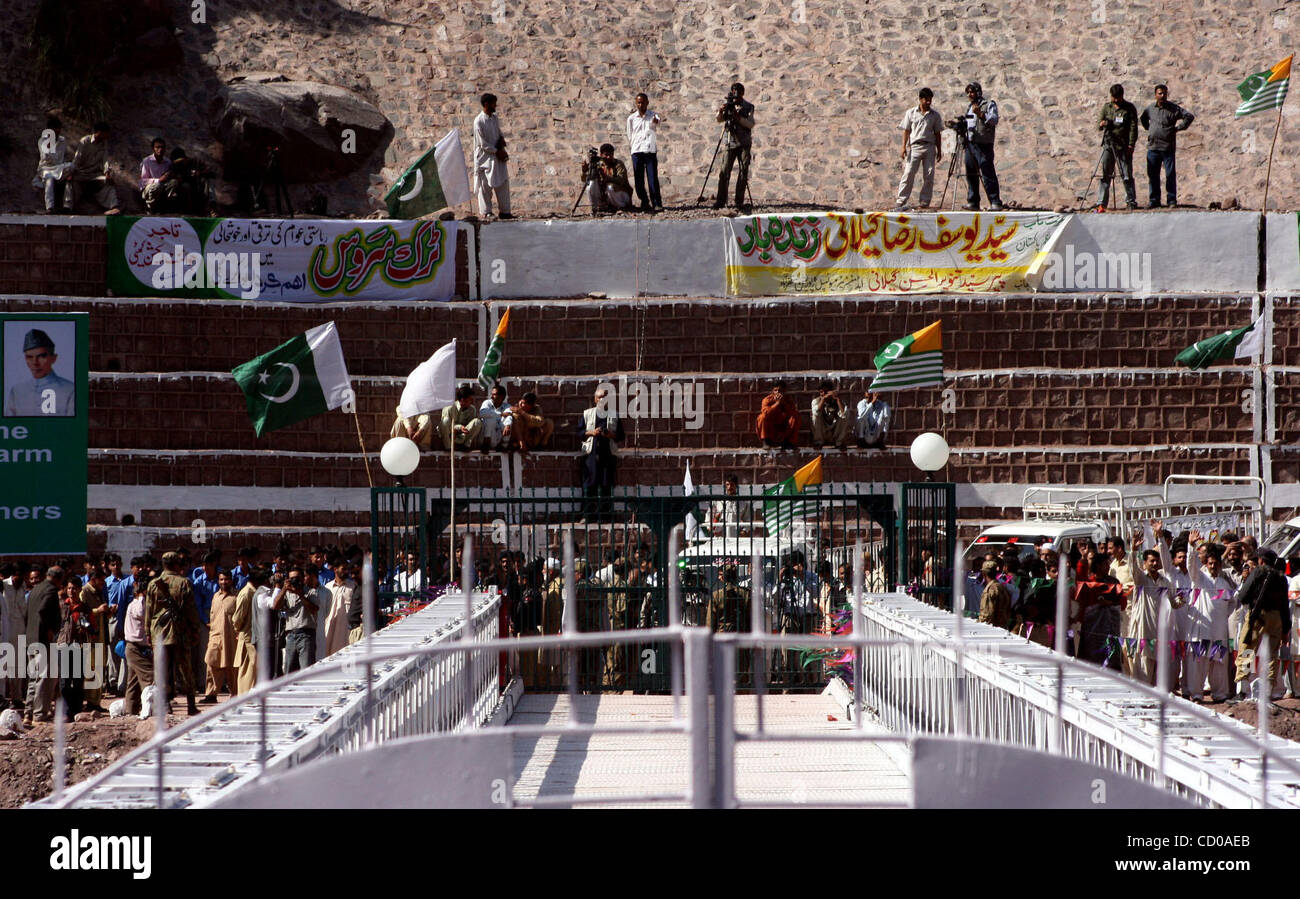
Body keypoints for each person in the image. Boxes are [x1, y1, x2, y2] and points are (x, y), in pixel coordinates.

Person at [145, 552, 201, 716]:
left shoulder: (154, 584)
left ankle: (165, 705)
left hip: (159, 632)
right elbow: (191, 610)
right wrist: (195, 629)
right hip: (179, 631)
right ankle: (191, 705)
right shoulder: (184, 583)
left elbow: (149, 610)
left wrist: (148, 632)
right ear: (177, 564)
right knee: (185, 668)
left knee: (162, 670)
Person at [1184, 531, 1236, 702]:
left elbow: (1232, 604)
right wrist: (1191, 547)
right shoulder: (1200, 579)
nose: (1213, 566)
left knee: (1219, 664)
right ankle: (1197, 694)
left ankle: (1219, 694)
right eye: (1210, 563)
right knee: (1198, 664)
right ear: (1206, 564)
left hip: (1219, 631)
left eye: (1216, 564)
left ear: (1220, 565)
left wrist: (1223, 619)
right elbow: (1191, 566)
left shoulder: (1224, 583)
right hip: (1202, 632)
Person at [1232, 549, 1290, 702]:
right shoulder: (1281, 578)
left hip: (1257, 616)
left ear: (1261, 561)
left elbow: (1243, 596)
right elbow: (1285, 605)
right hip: (1276, 618)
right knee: (1271, 655)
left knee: (1246, 650)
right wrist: (1285, 629)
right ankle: (1268, 692)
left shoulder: (1258, 572)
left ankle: (1242, 690)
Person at [1139, 84, 1194, 208]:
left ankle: (1171, 200)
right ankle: (1154, 200)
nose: (1162, 96)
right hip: (1153, 147)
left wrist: (1178, 128)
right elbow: (1143, 119)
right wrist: (1150, 129)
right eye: (1160, 93)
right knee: (1153, 175)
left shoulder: (1173, 108)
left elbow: (1189, 116)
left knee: (1169, 175)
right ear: (1155, 95)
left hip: (1167, 147)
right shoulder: (1150, 109)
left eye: (1164, 93)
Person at [23, 566, 64, 725]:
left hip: (31, 638)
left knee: (33, 677)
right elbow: (43, 610)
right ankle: (39, 714)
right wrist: (48, 629)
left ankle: (28, 713)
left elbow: (27, 615)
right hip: (42, 640)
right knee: (42, 678)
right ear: (58, 579)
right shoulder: (50, 590)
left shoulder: (35, 589)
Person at [6, 327, 75, 417]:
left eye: (41, 356)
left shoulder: (70, 390)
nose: (35, 362)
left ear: (53, 358)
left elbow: (73, 428)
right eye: (29, 357)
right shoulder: (17, 391)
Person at [895, 87, 944, 210]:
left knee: (929, 174)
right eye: (926, 100)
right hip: (915, 147)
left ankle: (924, 201)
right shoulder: (911, 113)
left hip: (929, 147)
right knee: (909, 173)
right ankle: (901, 200)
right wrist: (903, 147)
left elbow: (938, 133)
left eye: (930, 100)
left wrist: (939, 149)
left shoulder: (934, 115)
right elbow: (906, 131)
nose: (928, 102)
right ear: (920, 99)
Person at [1095, 84, 1138, 211]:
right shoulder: (1106, 107)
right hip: (1109, 144)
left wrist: (1131, 144)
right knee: (1105, 174)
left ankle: (1130, 201)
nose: (1115, 100)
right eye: (1113, 97)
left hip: (1123, 146)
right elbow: (1098, 124)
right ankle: (1101, 202)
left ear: (1122, 95)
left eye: (1117, 97)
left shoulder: (1129, 108)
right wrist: (1102, 124)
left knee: (1126, 174)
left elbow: (1133, 127)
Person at [713, 82, 755, 209]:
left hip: (743, 143)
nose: (736, 95)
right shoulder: (728, 105)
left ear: (742, 93)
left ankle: (739, 201)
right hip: (730, 141)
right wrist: (721, 111)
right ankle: (721, 200)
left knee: (743, 172)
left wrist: (738, 117)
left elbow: (750, 124)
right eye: (734, 92)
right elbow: (719, 120)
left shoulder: (748, 106)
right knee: (724, 171)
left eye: (738, 92)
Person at [961, 82, 1002, 211]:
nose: (970, 95)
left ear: (978, 92)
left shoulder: (989, 104)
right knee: (971, 173)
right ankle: (973, 202)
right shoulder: (969, 107)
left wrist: (980, 114)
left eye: (972, 92)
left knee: (987, 172)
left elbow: (994, 120)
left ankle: (995, 201)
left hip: (984, 144)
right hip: (970, 143)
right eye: (968, 92)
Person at [579, 387, 620, 513]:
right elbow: (579, 433)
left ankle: (606, 515)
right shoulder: (587, 414)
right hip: (591, 454)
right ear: (595, 399)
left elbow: (620, 435)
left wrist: (610, 435)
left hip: (608, 454)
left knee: (607, 484)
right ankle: (587, 514)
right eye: (599, 397)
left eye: (605, 397)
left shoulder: (614, 414)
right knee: (589, 484)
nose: (602, 400)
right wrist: (592, 432)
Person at [472, 92, 512, 219]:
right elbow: (482, 144)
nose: (496, 105)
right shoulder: (478, 121)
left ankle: (505, 211)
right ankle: (486, 212)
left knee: (502, 183)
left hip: (497, 158)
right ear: (486, 104)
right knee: (484, 187)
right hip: (485, 159)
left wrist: (502, 143)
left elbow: (498, 133)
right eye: (494, 103)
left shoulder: (494, 118)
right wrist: (496, 151)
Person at [202, 570, 239, 702]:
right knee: (211, 664)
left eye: (226, 579)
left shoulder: (237, 596)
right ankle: (211, 694)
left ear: (231, 580)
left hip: (231, 638)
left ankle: (235, 695)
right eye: (221, 579)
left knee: (232, 668)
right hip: (215, 636)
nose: (224, 582)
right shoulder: (215, 596)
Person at [68, 122, 120, 214]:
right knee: (70, 183)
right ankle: (68, 208)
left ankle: (113, 207)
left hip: (95, 174)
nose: (107, 136)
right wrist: (71, 173)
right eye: (106, 133)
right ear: (99, 132)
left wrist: (107, 173)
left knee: (108, 183)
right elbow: (77, 158)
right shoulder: (85, 141)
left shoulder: (104, 143)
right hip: (81, 173)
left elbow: (105, 160)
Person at [274, 567, 318, 673]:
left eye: (297, 578)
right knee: (289, 671)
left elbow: (314, 609)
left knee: (306, 671)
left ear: (303, 579)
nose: (295, 581)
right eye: (292, 579)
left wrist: (299, 593)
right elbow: (275, 606)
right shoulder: (286, 593)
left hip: (306, 635)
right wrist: (284, 589)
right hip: (291, 636)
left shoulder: (311, 591)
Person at [626, 92, 665, 212]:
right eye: (638, 102)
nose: (640, 104)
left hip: (649, 150)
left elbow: (658, 122)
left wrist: (655, 121)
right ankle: (644, 201)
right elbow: (629, 134)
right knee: (639, 179)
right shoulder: (631, 118)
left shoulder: (653, 115)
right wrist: (634, 146)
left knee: (652, 178)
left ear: (647, 103)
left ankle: (656, 203)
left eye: (643, 102)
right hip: (637, 150)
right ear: (636, 103)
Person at [122, 578, 153, 716]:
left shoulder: (138, 604)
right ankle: (150, 710)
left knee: (133, 683)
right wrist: (142, 596)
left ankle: (130, 710)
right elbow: (141, 613)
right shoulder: (136, 605)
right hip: (135, 647)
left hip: (138, 648)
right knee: (150, 678)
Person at [581, 143, 634, 213]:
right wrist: (584, 171)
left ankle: (621, 207)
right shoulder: (598, 163)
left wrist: (608, 178)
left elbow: (622, 180)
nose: (609, 157)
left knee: (610, 187)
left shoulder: (618, 164)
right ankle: (597, 207)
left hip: (621, 195)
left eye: (611, 155)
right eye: (606, 155)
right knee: (591, 184)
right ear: (601, 155)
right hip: (606, 196)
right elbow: (584, 180)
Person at [33, 116, 71, 213]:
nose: (57, 131)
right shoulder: (42, 141)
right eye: (54, 129)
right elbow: (47, 158)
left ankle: (67, 206)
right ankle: (49, 208)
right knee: (49, 179)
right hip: (46, 168)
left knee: (72, 168)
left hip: (59, 168)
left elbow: (63, 157)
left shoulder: (63, 140)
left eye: (58, 129)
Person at [322, 559, 355, 658]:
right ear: (335, 569)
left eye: (347, 569)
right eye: (343, 569)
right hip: (329, 626)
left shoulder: (353, 586)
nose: (346, 571)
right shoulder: (328, 587)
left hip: (345, 629)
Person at [438, 385, 483, 451]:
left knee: (477, 422)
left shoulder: (472, 409)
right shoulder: (449, 408)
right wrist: (459, 427)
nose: (472, 401)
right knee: (445, 420)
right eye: (470, 399)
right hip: (450, 434)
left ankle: (466, 446)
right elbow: (445, 425)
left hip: (463, 435)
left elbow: (470, 426)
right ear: (463, 400)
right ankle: (448, 447)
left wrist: (463, 429)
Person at [756, 381, 798, 449]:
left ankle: (789, 442)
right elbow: (765, 413)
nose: (778, 392)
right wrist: (777, 403)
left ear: (784, 391)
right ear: (772, 391)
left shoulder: (788, 400)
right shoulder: (767, 400)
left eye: (780, 390)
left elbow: (792, 412)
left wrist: (783, 403)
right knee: (761, 417)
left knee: (795, 416)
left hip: (782, 430)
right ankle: (765, 441)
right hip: (771, 430)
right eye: (776, 390)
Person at [140, 137, 176, 213]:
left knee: (174, 182)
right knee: (157, 185)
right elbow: (143, 181)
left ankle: (164, 206)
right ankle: (150, 207)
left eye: (162, 147)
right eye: (157, 147)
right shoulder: (147, 161)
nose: (160, 149)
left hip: (162, 187)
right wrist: (158, 180)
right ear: (153, 149)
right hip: (150, 189)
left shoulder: (168, 162)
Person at [810, 380, 851, 449]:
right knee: (814, 416)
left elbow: (844, 414)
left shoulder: (838, 401)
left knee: (846, 414)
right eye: (821, 392)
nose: (824, 394)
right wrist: (823, 400)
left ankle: (839, 443)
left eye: (826, 392)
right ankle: (818, 442)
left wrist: (837, 399)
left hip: (834, 432)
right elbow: (816, 412)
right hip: (822, 431)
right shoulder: (816, 401)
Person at [479, 383, 513, 451]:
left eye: (494, 394)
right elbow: (482, 413)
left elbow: (509, 415)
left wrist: (508, 425)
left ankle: (504, 445)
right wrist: (500, 414)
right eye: (492, 394)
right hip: (484, 439)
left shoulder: (507, 406)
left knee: (508, 420)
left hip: (496, 439)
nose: (491, 396)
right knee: (490, 419)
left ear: (502, 397)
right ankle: (486, 444)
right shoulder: (487, 403)